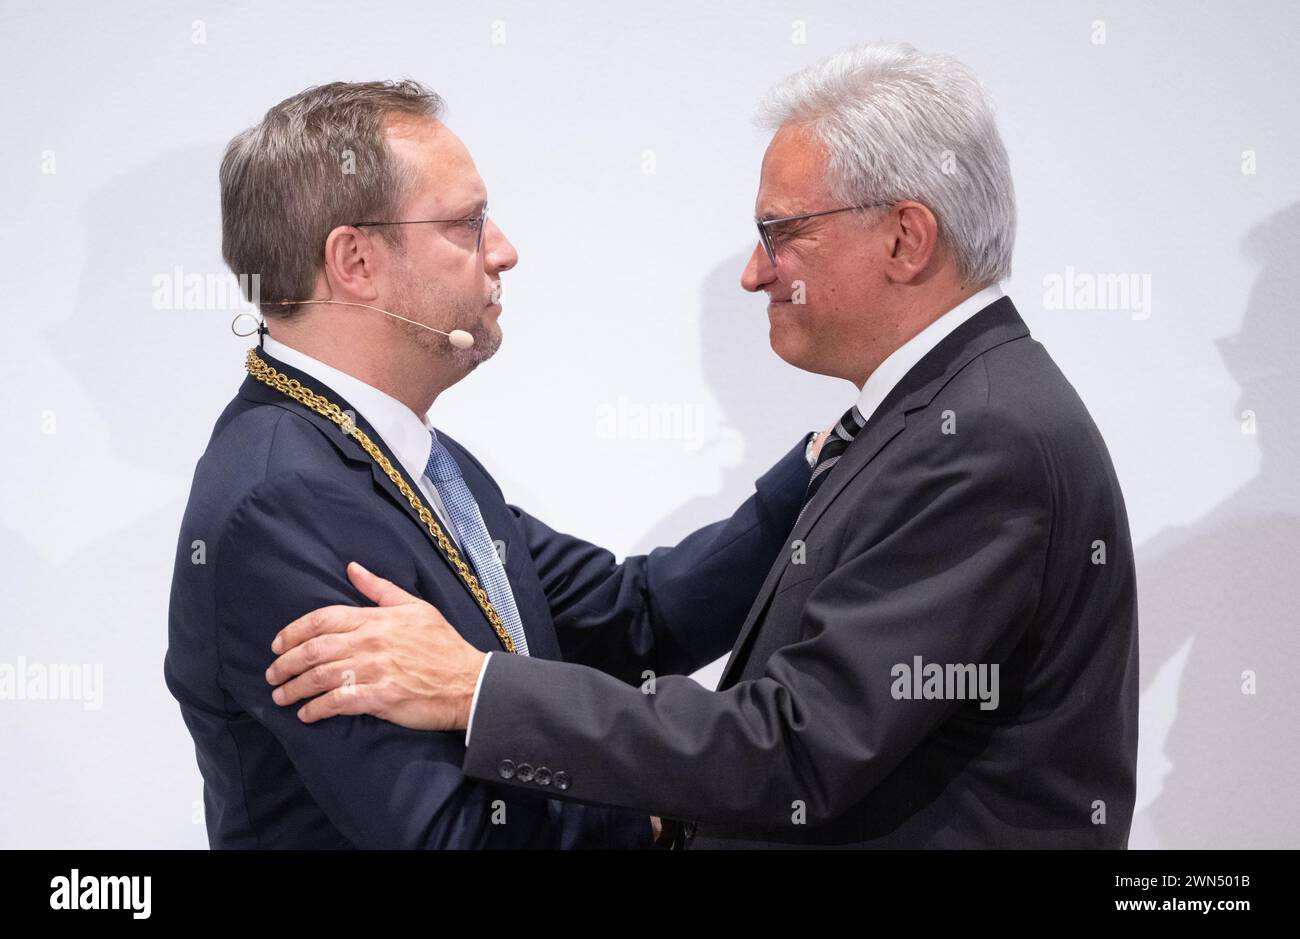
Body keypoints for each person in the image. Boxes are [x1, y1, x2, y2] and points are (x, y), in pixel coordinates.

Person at [269, 43, 1140, 849]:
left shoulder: (979, 437)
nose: (756, 272)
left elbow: (797, 742)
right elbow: (629, 617)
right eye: (466, 225)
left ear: (905, 239)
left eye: (782, 233)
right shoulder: (928, 420)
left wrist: (477, 689)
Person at [164, 80, 816, 849]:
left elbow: (628, 619)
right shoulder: (285, 501)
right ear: (356, 260)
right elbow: (451, 833)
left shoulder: (416, 457)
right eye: (466, 225)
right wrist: (663, 810)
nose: (504, 249)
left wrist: (819, 469)